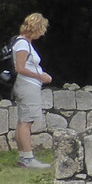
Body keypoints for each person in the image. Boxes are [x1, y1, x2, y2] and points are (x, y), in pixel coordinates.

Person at [11, 13, 53, 170]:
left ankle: (24, 157)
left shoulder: (24, 43)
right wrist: (40, 76)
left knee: (24, 120)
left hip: (28, 85)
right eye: (42, 29)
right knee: (26, 122)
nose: (43, 33)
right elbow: (20, 68)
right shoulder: (22, 44)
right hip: (27, 86)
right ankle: (28, 158)